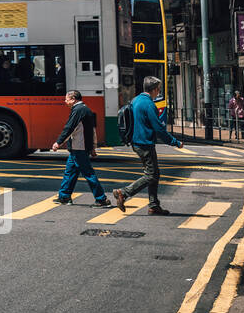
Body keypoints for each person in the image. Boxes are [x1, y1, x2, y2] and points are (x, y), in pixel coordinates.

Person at [112, 76, 183, 215]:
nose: (159, 92)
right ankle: (124, 193)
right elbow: (159, 128)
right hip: (144, 143)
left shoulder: (136, 99)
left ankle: (154, 205)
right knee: (151, 175)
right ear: (155, 89)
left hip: (136, 142)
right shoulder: (149, 104)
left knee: (153, 174)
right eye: (159, 90)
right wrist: (175, 142)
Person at [50, 90, 111, 206]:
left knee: (88, 174)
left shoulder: (78, 110)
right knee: (70, 172)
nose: (65, 102)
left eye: (66, 99)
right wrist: (93, 147)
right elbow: (92, 130)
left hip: (79, 147)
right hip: (79, 147)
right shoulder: (86, 109)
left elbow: (69, 128)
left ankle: (101, 199)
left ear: (73, 99)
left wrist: (58, 142)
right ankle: (64, 196)